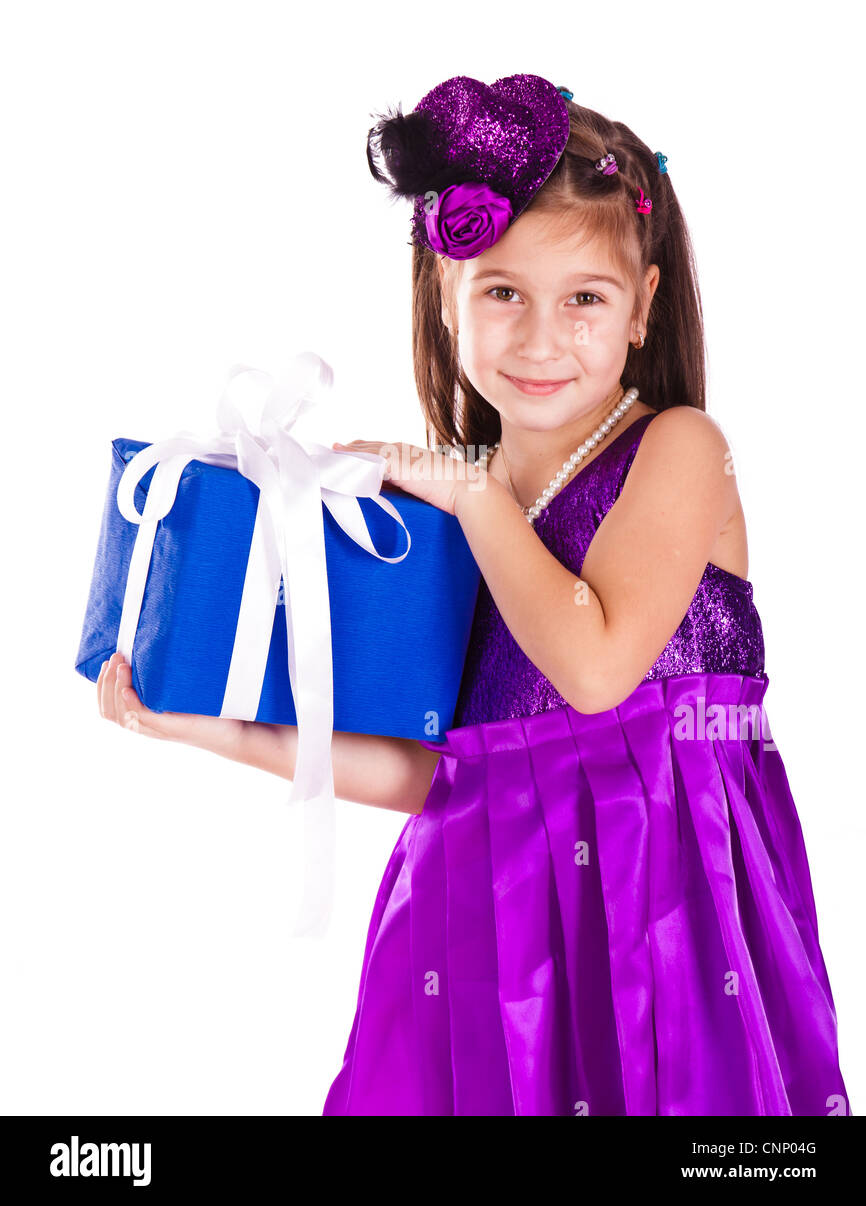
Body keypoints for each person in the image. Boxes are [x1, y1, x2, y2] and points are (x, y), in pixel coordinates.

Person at [99, 74, 851, 1117]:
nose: (540, 338)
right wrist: (202, 725)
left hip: (666, 939)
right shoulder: (448, 512)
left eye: (582, 297)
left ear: (640, 307)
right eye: (501, 291)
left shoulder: (677, 451)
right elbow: (434, 770)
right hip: (487, 949)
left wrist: (466, 492)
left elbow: (593, 669)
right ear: (443, 300)